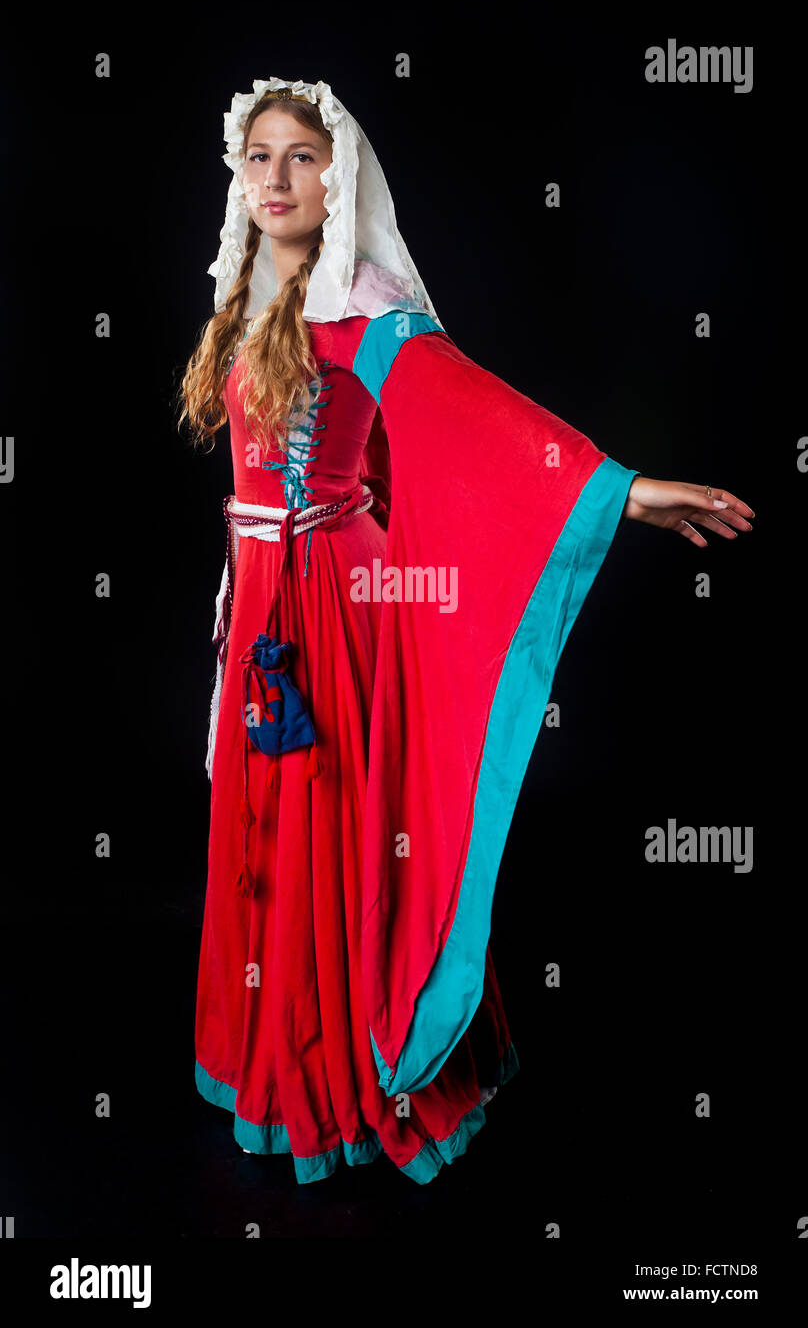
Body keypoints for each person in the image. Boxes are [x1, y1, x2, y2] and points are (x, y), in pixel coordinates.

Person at [177, 77, 754, 1186]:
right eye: (260, 159)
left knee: (339, 818)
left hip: (338, 613)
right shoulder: (239, 304)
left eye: (304, 158)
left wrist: (624, 493)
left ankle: (356, 1068)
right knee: (265, 832)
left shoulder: (376, 314)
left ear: (338, 177)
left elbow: (485, 429)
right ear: (239, 180)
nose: (279, 179)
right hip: (258, 604)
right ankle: (272, 1052)